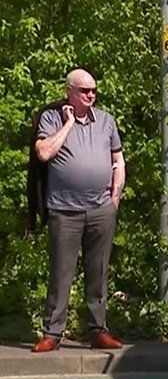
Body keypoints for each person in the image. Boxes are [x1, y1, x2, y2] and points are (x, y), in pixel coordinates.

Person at [32, 69, 125, 353]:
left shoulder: (106, 121)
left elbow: (118, 160)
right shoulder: (51, 117)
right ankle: (53, 333)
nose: (91, 95)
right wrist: (69, 123)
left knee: (98, 271)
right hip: (65, 210)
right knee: (61, 272)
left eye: (94, 90)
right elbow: (44, 153)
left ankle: (98, 330)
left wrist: (115, 198)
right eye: (85, 91)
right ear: (69, 91)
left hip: (101, 209)